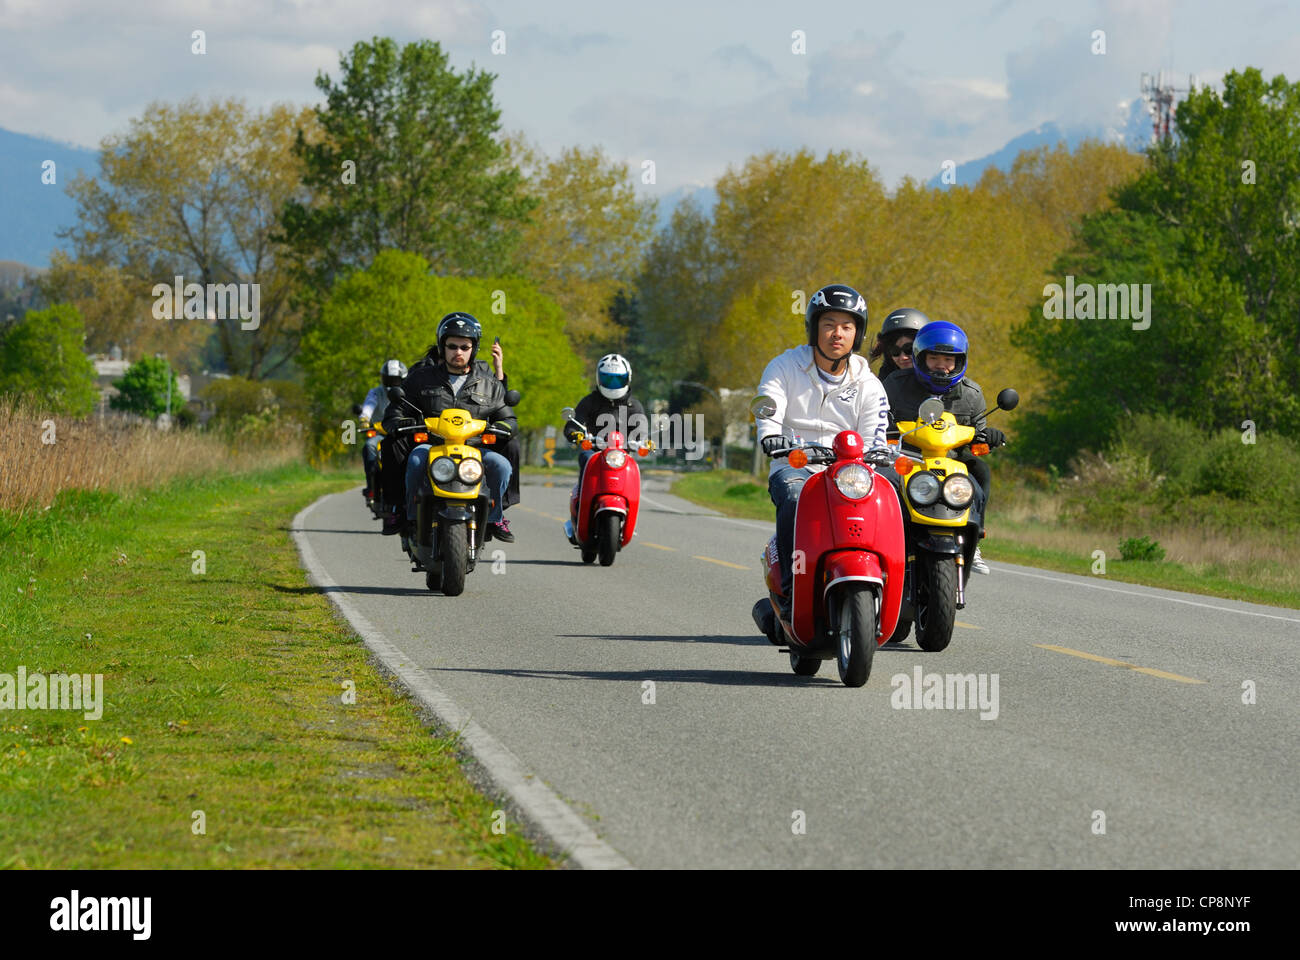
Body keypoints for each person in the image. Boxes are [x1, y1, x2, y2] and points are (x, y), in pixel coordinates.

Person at [752, 283, 900, 634]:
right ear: (813, 328)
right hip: (796, 464)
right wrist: (771, 435)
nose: (838, 334)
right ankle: (789, 591)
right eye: (829, 324)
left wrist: (880, 451)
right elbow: (768, 406)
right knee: (793, 497)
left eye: (847, 326)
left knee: (895, 490)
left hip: (851, 472)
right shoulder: (784, 366)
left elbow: (875, 433)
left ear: (858, 333)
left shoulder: (868, 381)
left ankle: (898, 584)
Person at [383, 312, 517, 543]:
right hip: (431, 446)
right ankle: (408, 515)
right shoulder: (421, 378)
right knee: (415, 460)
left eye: (464, 347)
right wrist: (398, 422)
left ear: (473, 349)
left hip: (474, 449)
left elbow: (507, 417)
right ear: (442, 346)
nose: (458, 352)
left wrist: (504, 426)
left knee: (502, 465)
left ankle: (495, 518)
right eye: (452, 346)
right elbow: (397, 409)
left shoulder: (489, 383)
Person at [882, 320, 1002, 574]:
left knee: (980, 473)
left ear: (959, 362)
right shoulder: (894, 384)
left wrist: (987, 436)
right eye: (933, 357)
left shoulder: (971, 393)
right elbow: (876, 417)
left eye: (948, 359)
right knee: (883, 485)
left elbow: (978, 431)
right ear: (920, 357)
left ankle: (975, 535)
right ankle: (880, 540)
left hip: (953, 461)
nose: (941, 365)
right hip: (905, 457)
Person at [564, 354, 646, 481]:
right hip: (593, 452)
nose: (613, 384)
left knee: (634, 469)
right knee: (586, 459)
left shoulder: (634, 406)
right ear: (598, 378)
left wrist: (643, 441)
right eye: (607, 379)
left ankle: (632, 500)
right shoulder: (589, 401)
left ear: (627, 378)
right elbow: (573, 425)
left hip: (623, 455)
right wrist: (575, 433)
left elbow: (642, 431)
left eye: (618, 379)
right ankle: (581, 497)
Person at [359, 359, 406, 499]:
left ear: (403, 379)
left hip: (403, 434)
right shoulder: (376, 392)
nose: (391, 383)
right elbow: (369, 405)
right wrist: (364, 418)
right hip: (381, 434)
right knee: (369, 446)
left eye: (395, 380)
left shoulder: (408, 391)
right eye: (388, 379)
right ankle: (372, 487)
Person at [869, 307, 929, 381]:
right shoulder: (881, 387)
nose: (903, 357)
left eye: (909, 349)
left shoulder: (943, 383)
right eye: (895, 351)